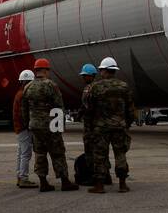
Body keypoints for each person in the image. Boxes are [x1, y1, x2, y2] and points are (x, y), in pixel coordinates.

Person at [21, 58, 78, 192]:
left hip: (35, 125)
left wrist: (28, 124)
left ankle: (43, 183)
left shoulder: (28, 87)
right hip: (51, 125)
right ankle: (64, 181)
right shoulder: (51, 85)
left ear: (36, 71)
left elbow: (24, 110)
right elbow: (59, 107)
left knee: (40, 154)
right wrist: (60, 126)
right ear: (46, 70)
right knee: (58, 152)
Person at [82, 56, 138, 194]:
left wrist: (90, 126)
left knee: (100, 155)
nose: (100, 73)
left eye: (101, 70)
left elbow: (88, 108)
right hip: (119, 126)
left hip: (101, 128)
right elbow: (131, 109)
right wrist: (127, 123)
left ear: (105, 71)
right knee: (120, 154)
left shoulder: (96, 87)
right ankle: (123, 184)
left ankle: (99, 186)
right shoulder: (124, 86)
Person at [76, 64, 111, 186]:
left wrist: (84, 113)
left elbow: (90, 106)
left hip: (92, 126)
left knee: (92, 151)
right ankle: (106, 175)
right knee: (100, 151)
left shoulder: (93, 88)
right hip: (94, 124)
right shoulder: (92, 88)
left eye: (85, 75)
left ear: (92, 76)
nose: (83, 78)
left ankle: (95, 176)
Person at [12, 69, 35, 188]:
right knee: (26, 154)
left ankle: (19, 176)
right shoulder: (24, 95)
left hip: (19, 127)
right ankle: (24, 178)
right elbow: (24, 114)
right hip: (24, 128)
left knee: (20, 153)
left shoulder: (19, 93)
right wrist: (29, 126)